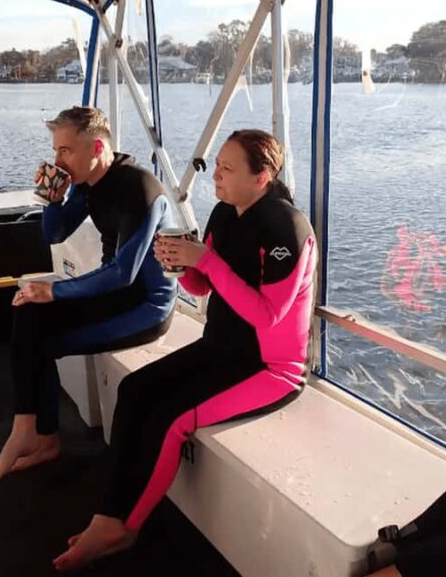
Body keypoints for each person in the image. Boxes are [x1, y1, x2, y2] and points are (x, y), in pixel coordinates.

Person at [52, 129, 317, 571]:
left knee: (171, 419)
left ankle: (126, 527)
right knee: (136, 390)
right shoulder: (224, 214)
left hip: (271, 369)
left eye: (228, 169)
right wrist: (177, 265)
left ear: (262, 176)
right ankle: (107, 514)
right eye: (216, 165)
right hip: (220, 349)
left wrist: (205, 260)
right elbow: (202, 285)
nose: (216, 175)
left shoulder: (285, 227)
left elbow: (268, 316)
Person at [0, 106, 177, 486]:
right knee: (28, 313)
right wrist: (53, 198)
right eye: (56, 150)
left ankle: (38, 435)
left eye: (65, 151)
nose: (57, 160)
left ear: (97, 147)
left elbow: (124, 272)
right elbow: (54, 235)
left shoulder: (139, 187)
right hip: (112, 293)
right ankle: (32, 430)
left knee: (39, 331)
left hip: (143, 306)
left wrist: (54, 290)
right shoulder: (87, 184)